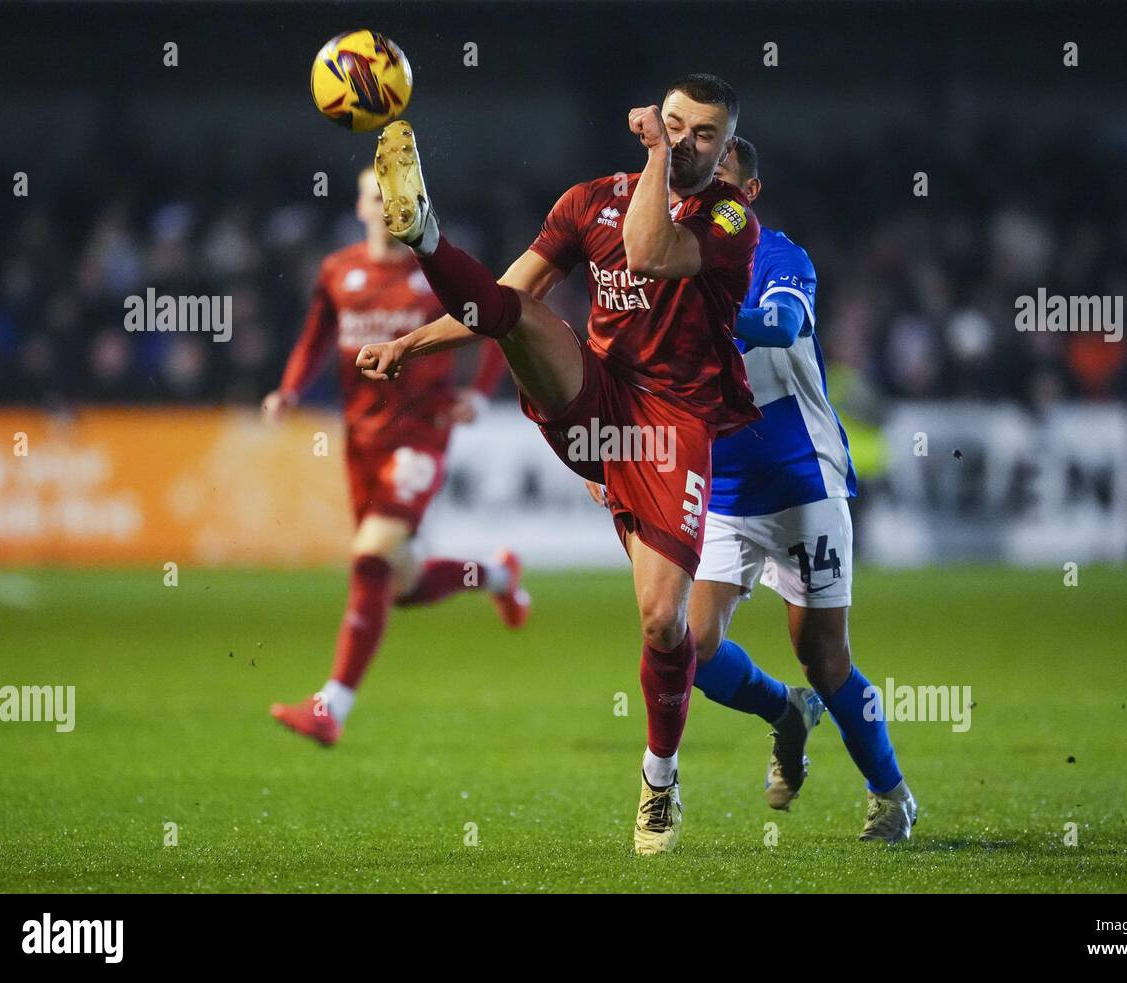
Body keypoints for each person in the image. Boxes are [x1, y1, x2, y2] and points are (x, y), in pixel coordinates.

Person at [357, 75, 760, 854]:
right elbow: (499, 298)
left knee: (663, 621)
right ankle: (427, 234)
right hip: (596, 399)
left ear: (724, 149)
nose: (685, 141)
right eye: (675, 123)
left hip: (672, 428)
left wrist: (656, 151)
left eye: (703, 134)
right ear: (657, 117)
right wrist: (410, 344)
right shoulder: (588, 202)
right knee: (517, 315)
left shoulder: (729, 218)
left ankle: (660, 777)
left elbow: (649, 251)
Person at [589, 137, 917, 842]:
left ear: (750, 192)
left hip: (801, 480)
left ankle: (891, 793)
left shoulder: (777, 256)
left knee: (824, 658)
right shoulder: (656, 264)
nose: (704, 191)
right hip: (719, 488)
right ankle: (784, 711)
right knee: (690, 644)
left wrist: (703, 310)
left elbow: (784, 323)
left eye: (721, 178)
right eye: (692, 180)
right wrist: (609, 456)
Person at [266, 167, 529, 747]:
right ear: (360, 208)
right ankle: (497, 574)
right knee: (399, 584)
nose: (385, 208)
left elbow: (497, 317)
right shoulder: (338, 271)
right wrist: (289, 390)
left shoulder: (433, 271)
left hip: (421, 435)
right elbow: (315, 338)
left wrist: (478, 393)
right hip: (361, 442)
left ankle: (330, 706)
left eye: (393, 198)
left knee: (370, 556)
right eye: (374, 198)